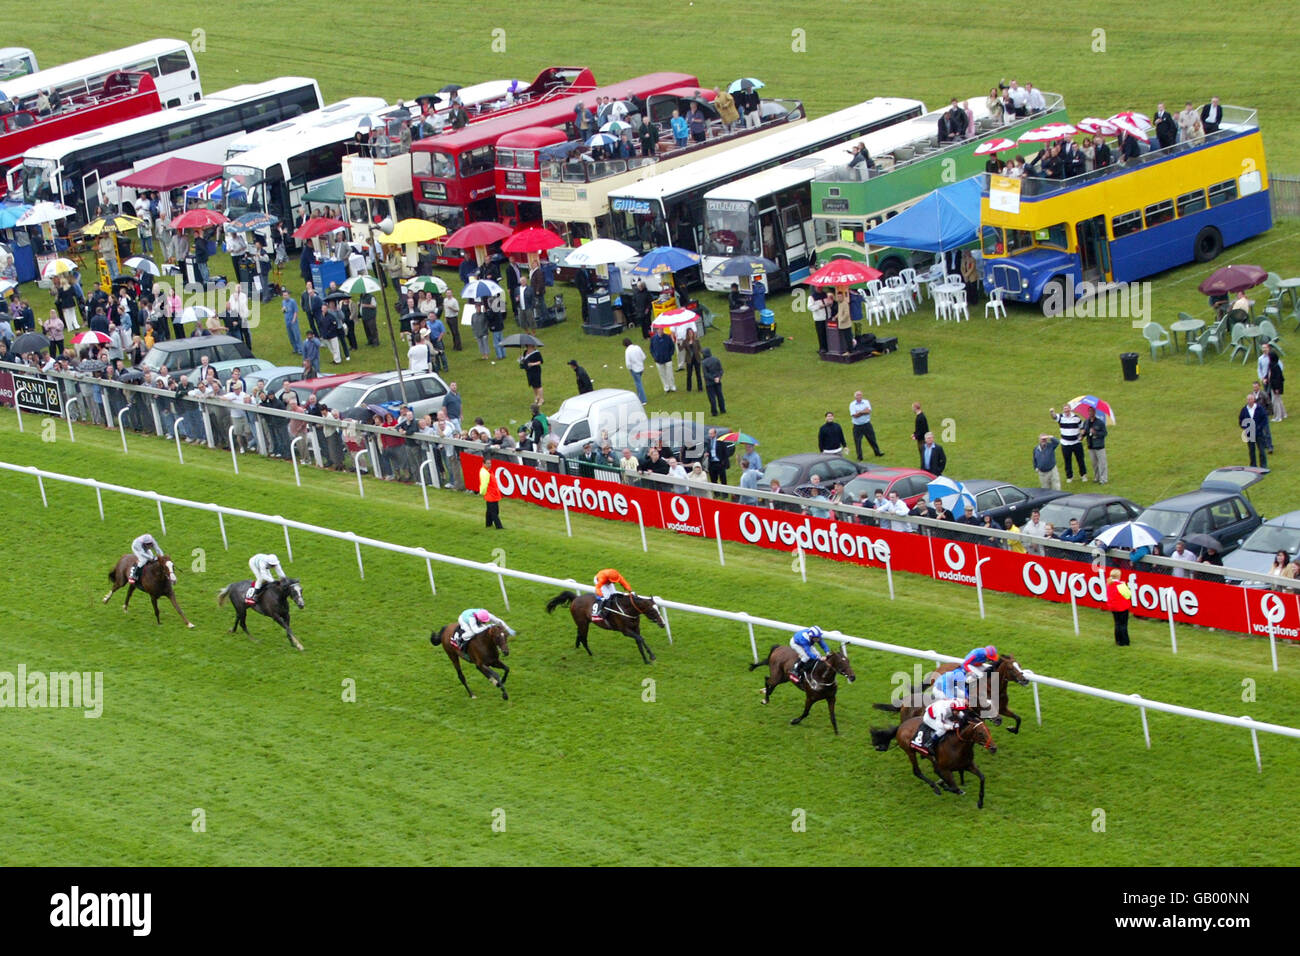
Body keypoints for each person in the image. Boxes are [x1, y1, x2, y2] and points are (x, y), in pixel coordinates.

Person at [849, 390, 883, 459]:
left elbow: (869, 411)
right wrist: (863, 411)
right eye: (858, 395)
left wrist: (860, 412)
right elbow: (854, 415)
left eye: (860, 395)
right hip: (857, 426)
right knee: (858, 442)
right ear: (855, 397)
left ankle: (877, 452)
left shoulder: (866, 402)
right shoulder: (852, 404)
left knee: (872, 439)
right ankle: (859, 456)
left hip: (867, 424)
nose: (859, 396)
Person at [1240, 392, 1269, 469]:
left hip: (1259, 433)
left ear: (1254, 400)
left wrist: (1259, 427)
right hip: (1250, 434)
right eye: (1248, 399)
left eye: (1251, 399)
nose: (1249, 401)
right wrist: (1246, 428)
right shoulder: (1244, 410)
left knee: (1261, 450)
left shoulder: (1259, 409)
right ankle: (1253, 466)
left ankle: (1263, 465)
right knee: (1251, 451)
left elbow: (1264, 419)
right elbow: (1241, 420)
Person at [1106, 569, 1131, 646]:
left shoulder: (1109, 583)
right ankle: (1125, 641)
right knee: (1123, 624)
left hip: (1113, 607)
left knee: (1117, 624)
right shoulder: (1121, 585)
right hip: (1122, 607)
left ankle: (1118, 640)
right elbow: (1128, 595)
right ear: (1118, 576)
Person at [480, 451, 504, 529]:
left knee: (490, 510)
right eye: (487, 463)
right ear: (484, 464)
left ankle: (488, 524)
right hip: (491, 495)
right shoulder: (485, 473)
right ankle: (499, 526)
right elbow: (484, 485)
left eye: (490, 463)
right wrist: (483, 493)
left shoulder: (487, 471)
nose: (489, 465)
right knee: (494, 512)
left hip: (493, 494)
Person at [649, 325, 676, 393]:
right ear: (657, 330)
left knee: (670, 373)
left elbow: (672, 347)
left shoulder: (667, 337)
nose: (661, 331)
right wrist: (655, 356)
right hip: (658, 360)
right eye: (659, 329)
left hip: (667, 359)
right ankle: (666, 387)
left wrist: (670, 354)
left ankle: (672, 386)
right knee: (662, 374)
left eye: (662, 329)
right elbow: (651, 349)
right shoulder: (653, 338)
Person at [622, 337, 647, 405]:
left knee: (639, 384)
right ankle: (639, 397)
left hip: (634, 369)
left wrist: (630, 369)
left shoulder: (627, 351)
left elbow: (628, 363)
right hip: (641, 368)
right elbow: (644, 357)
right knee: (638, 383)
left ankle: (643, 400)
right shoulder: (637, 347)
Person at [701, 347, 725, 415]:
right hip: (718, 381)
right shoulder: (716, 359)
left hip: (709, 383)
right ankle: (723, 410)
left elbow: (706, 374)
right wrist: (718, 378)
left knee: (712, 398)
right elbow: (721, 370)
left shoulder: (704, 363)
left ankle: (714, 412)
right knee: (720, 396)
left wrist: (713, 378)